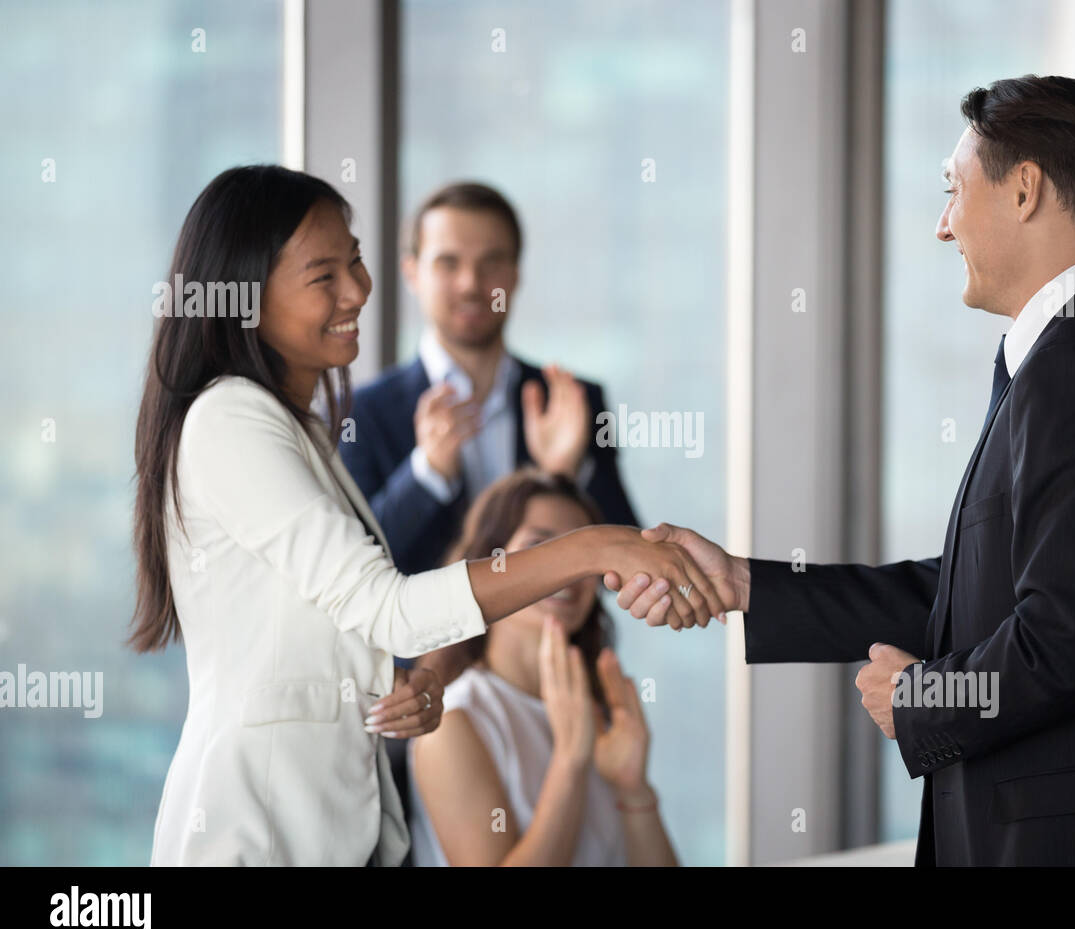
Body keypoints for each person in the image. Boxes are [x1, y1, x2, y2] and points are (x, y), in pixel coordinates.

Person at [608, 76, 1075, 866]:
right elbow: (985, 593)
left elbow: (1069, 638)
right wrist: (744, 585)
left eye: (953, 189)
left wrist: (926, 700)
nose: (943, 227)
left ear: (1025, 189)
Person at [131, 165, 721, 866]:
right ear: (246, 298)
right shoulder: (232, 418)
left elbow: (319, 627)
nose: (357, 288)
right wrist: (591, 546)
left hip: (336, 823)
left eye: (354, 258)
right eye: (324, 275)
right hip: (257, 832)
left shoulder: (305, 430)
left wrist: (400, 684)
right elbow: (388, 605)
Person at [339, 181, 638, 578]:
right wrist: (427, 474)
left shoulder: (572, 403)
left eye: (492, 261)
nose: (470, 283)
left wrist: (562, 479)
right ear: (412, 273)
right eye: (448, 263)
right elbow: (355, 574)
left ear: (515, 275)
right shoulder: (360, 412)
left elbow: (624, 568)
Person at [407, 470, 677, 866]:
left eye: (585, 560)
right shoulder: (452, 723)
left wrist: (633, 789)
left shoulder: (598, 709)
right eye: (539, 547)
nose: (565, 573)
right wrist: (570, 761)